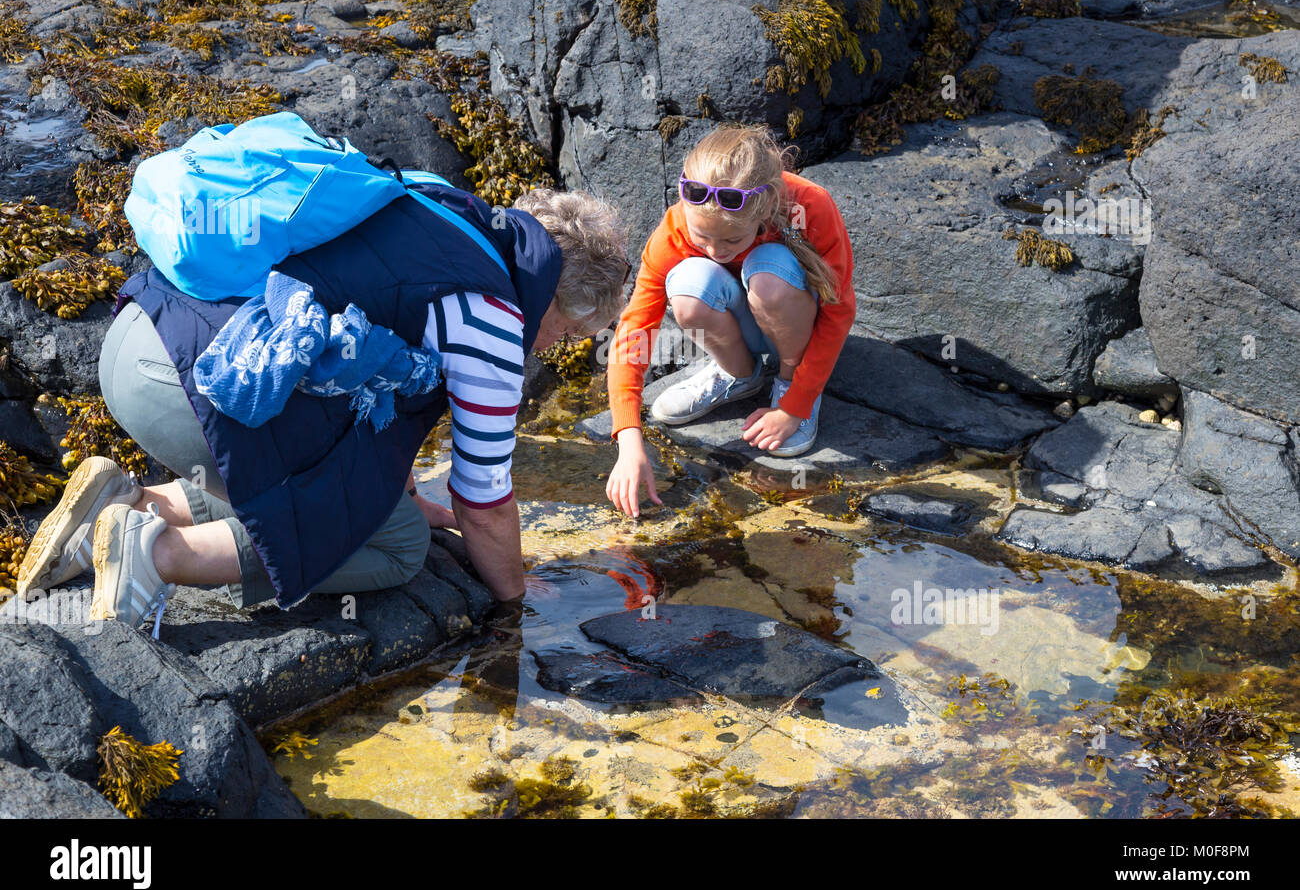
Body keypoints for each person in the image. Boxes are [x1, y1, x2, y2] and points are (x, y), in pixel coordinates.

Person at [15, 183, 627, 633]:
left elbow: (371, 399)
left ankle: (131, 500)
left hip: (138, 336)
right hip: (202, 389)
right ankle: (155, 551)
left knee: (376, 500)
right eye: (568, 334)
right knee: (399, 543)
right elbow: (486, 502)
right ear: (557, 302)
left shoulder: (437, 207)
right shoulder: (495, 324)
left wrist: (407, 494)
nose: (550, 348)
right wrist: (518, 603)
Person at [604, 124, 855, 518]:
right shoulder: (673, 231)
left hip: (793, 325)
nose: (715, 250)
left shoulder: (809, 205)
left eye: (732, 241)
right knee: (688, 287)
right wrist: (629, 436)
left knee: (768, 271)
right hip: (744, 326)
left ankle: (786, 383)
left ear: (765, 209)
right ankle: (739, 373)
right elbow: (635, 328)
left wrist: (795, 404)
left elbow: (839, 310)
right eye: (701, 238)